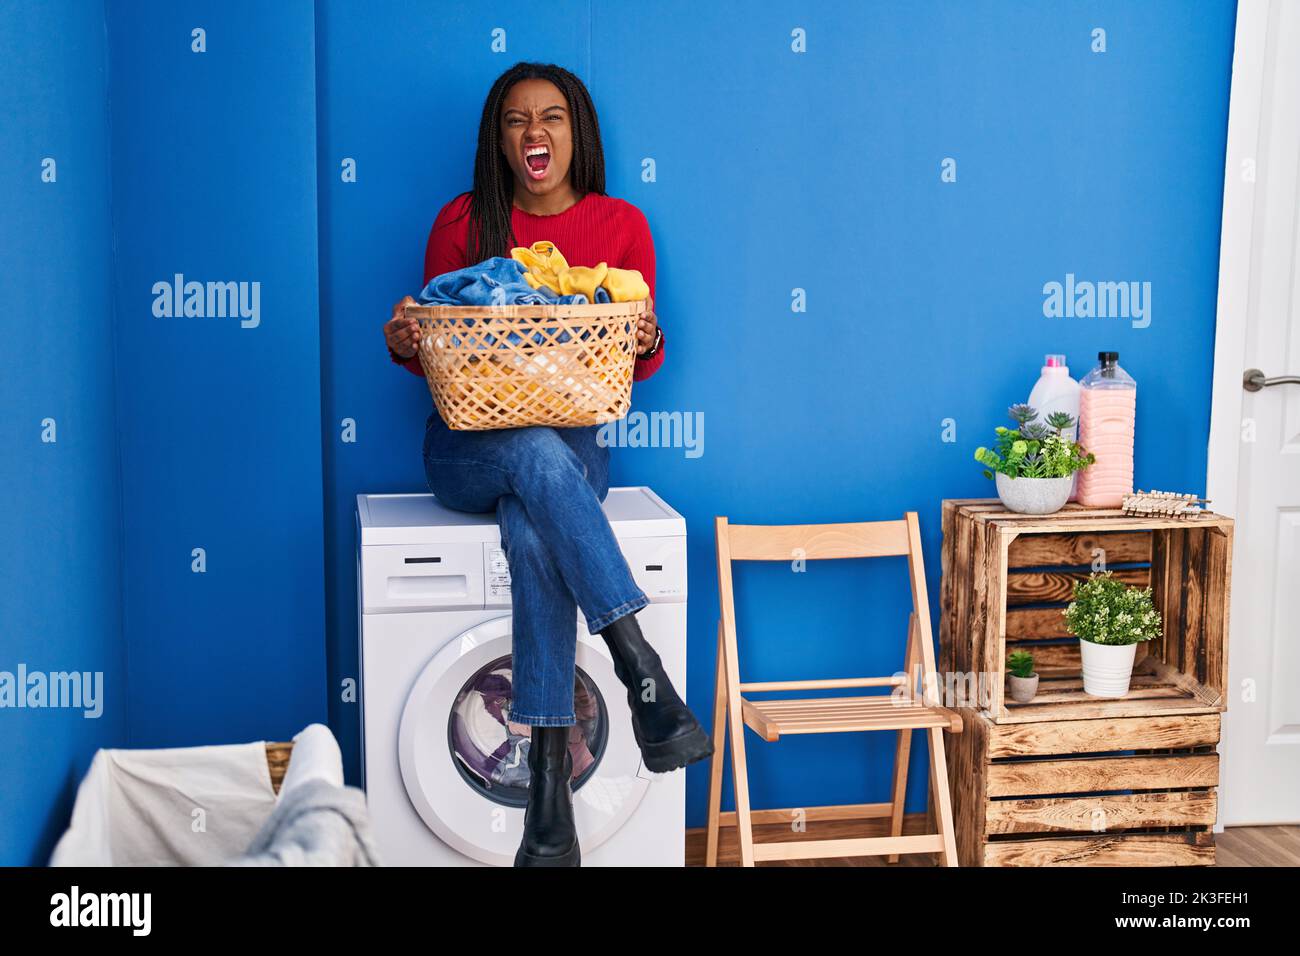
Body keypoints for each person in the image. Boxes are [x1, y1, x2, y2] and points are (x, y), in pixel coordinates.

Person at [382, 62, 711, 867]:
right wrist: (403, 339)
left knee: (535, 529)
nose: (535, 134)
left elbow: (635, 367)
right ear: (498, 139)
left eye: (553, 118)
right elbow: (440, 354)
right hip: (464, 452)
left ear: (577, 134)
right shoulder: (462, 223)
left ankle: (547, 809)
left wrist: (647, 337)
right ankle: (643, 675)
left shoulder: (621, 227)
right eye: (518, 120)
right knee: (528, 452)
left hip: (574, 453)